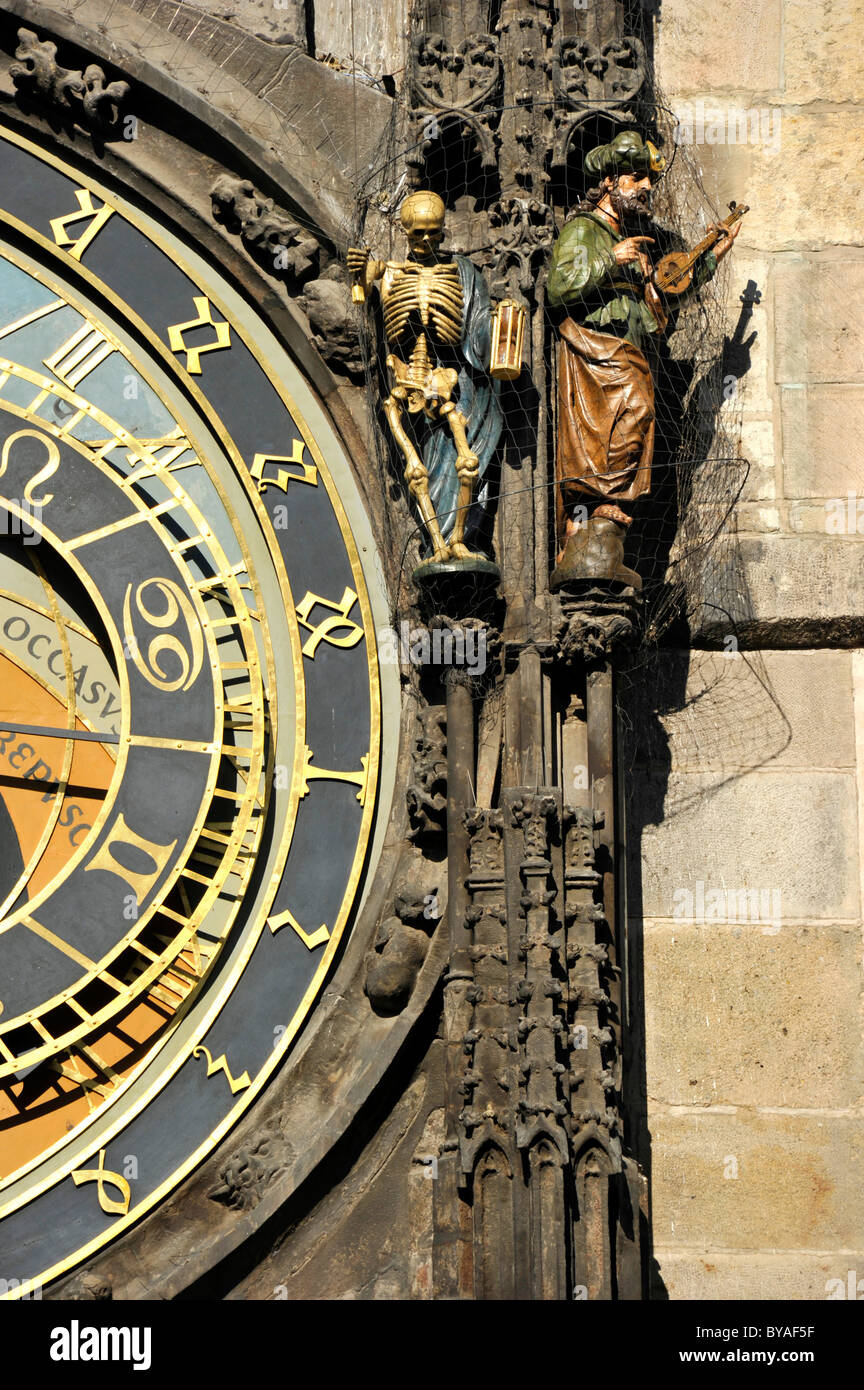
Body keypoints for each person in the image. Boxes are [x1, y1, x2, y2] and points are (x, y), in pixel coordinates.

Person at [546, 130, 740, 587]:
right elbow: (558, 288)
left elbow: (657, 298)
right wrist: (611, 261)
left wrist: (709, 260)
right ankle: (587, 521)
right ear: (610, 181)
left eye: (648, 178)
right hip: (596, 358)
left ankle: (602, 521)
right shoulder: (584, 230)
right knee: (632, 413)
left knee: (636, 416)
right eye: (636, 177)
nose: (646, 186)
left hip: (628, 355)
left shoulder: (629, 239)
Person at [348, 191, 502, 575]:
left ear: (445, 229)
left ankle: (459, 539)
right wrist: (363, 280)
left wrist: (498, 325)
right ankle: (437, 542)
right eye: (419, 235)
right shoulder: (390, 273)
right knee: (427, 465)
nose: (428, 241)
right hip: (409, 380)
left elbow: (478, 326)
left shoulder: (465, 272)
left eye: (435, 233)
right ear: (404, 231)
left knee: (466, 459)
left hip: (452, 382)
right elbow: (367, 312)